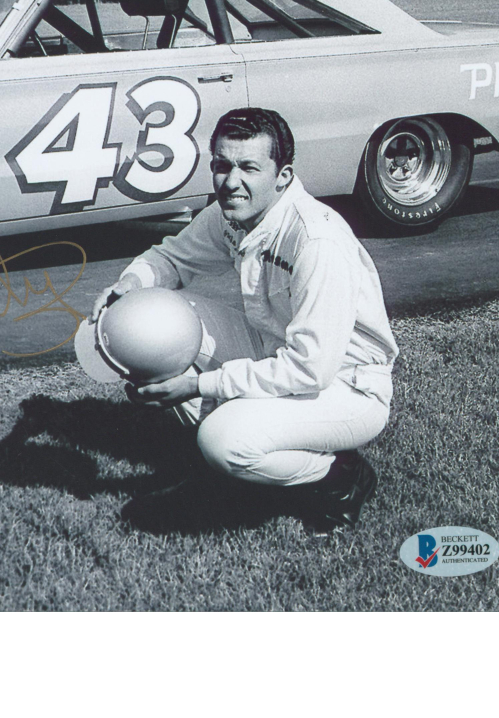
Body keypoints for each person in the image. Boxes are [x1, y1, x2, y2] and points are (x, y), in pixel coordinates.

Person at [88, 107, 398, 532]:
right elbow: (170, 258)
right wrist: (128, 286)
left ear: (283, 176)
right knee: (158, 321)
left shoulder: (316, 241)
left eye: (249, 167)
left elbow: (310, 369)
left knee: (223, 440)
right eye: (221, 165)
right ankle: (220, 469)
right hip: (274, 351)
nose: (231, 182)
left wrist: (199, 384)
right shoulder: (234, 211)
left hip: (346, 387)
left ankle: (338, 477)